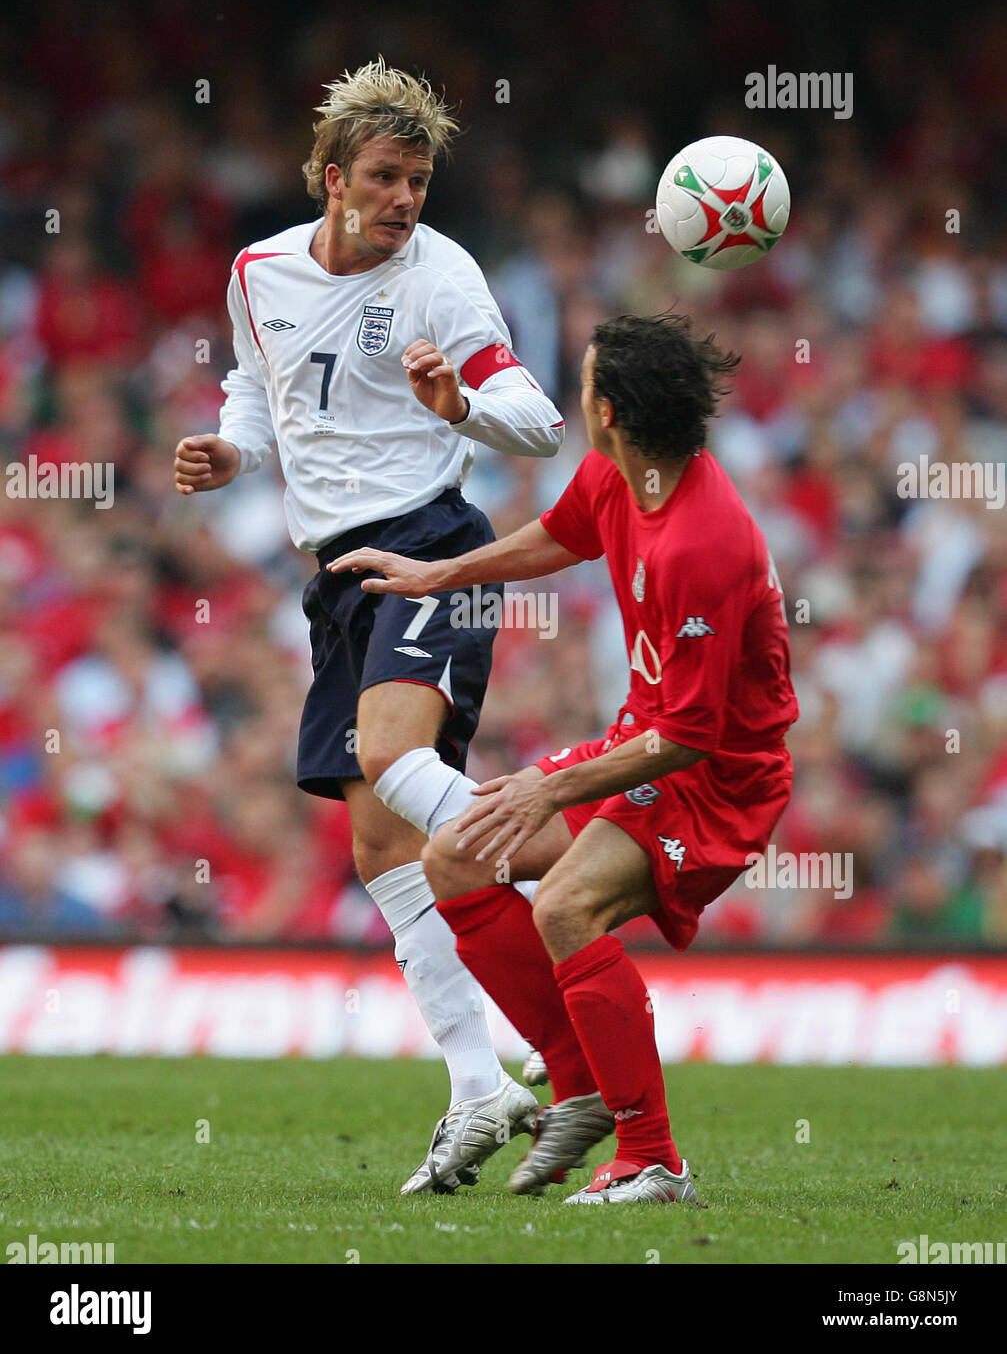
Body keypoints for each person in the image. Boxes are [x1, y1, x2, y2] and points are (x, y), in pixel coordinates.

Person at [173, 59, 564, 1194]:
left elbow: (536, 422)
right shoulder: (258, 272)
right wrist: (229, 451)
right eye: (386, 178)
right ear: (331, 178)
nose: (404, 200)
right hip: (338, 578)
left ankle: (572, 865)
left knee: (394, 762)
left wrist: (461, 407)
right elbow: (260, 389)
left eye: (420, 180)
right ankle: (477, 1083)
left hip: (434, 548)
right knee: (382, 848)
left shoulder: (443, 277)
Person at [329, 312, 799, 1204]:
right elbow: (561, 533)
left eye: (581, 384)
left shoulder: (707, 542)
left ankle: (653, 1159)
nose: (575, 397)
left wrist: (549, 784)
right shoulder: (622, 474)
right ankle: (578, 1087)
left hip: (713, 776)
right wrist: (441, 574)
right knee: (456, 858)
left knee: (569, 908)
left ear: (607, 410)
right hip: (645, 741)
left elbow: (694, 733)